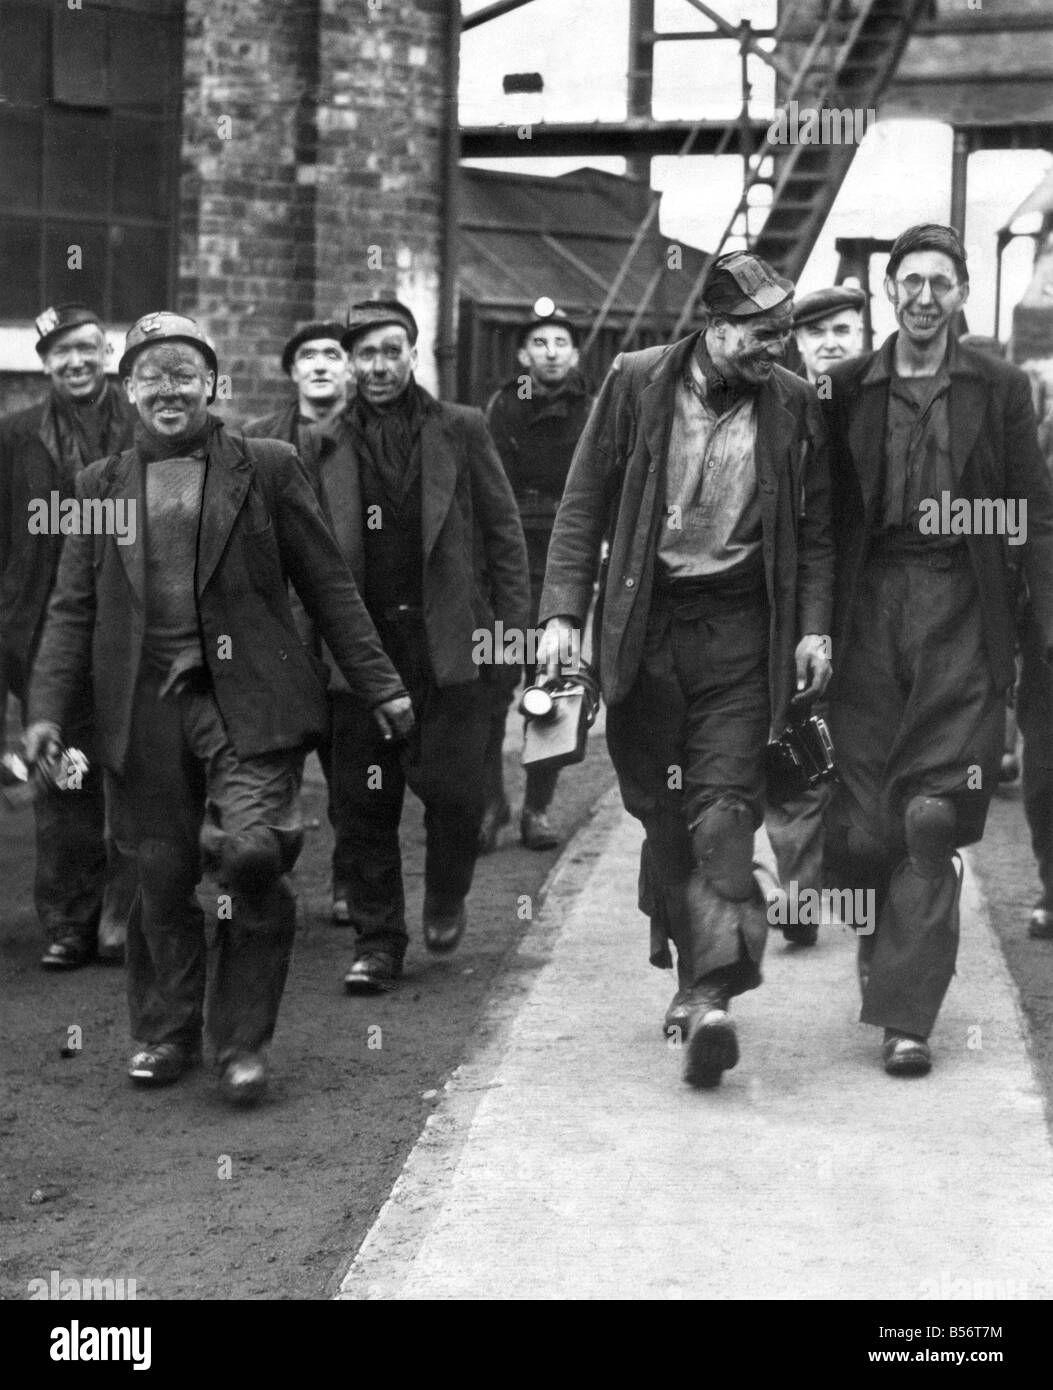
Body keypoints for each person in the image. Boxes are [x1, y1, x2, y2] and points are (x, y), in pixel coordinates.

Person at [23, 311, 413, 1104]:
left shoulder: (266, 468)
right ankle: (165, 1034)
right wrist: (45, 714)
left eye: (184, 375)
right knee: (159, 875)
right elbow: (71, 610)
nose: (169, 391)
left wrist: (381, 685)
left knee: (253, 855)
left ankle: (240, 1043)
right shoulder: (98, 486)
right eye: (152, 376)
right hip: (144, 705)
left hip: (248, 702)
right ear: (128, 387)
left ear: (212, 384)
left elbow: (328, 585)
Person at [538, 251, 834, 1089]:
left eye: (784, 334)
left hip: (741, 631)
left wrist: (812, 628)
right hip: (647, 625)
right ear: (714, 325)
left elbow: (813, 532)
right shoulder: (635, 382)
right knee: (662, 813)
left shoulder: (793, 404)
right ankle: (688, 974)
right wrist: (562, 612)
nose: (775, 350)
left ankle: (712, 997)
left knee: (723, 809)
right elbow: (582, 501)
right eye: (761, 335)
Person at [821, 223, 1053, 1077]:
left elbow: (1032, 510)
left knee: (928, 816)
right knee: (864, 819)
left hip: (960, 607)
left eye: (940, 284)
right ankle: (878, 939)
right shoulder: (845, 388)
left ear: (961, 295)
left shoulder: (996, 387)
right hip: (867, 614)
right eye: (910, 282)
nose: (924, 298)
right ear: (888, 291)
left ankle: (905, 1019)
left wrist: (1045, 625)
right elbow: (820, 520)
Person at [329, 300, 529, 992]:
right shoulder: (320, 443)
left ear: (415, 353)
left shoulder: (461, 429)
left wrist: (511, 641)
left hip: (447, 646)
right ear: (349, 361)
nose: (379, 366)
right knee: (361, 806)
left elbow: (505, 539)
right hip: (357, 652)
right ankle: (377, 942)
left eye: (392, 350)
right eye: (365, 353)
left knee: (456, 794)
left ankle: (446, 891)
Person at [0, 302, 137, 969]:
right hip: (40, 633)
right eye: (61, 352)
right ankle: (66, 919)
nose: (76, 362)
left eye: (86, 347)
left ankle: (125, 908)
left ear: (106, 353)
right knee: (62, 775)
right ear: (44, 362)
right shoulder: (15, 436)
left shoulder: (142, 427)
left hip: (129, 625)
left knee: (136, 770)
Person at [765, 285, 867, 946]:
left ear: (863, 335)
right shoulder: (779, 407)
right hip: (793, 599)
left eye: (843, 329)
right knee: (796, 740)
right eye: (816, 331)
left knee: (860, 749)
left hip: (869, 601)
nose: (830, 341)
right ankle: (800, 894)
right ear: (796, 342)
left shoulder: (877, 407)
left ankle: (860, 881)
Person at [480, 301, 594, 852]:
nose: (551, 353)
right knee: (492, 680)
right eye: (540, 343)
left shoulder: (592, 409)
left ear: (575, 353)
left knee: (551, 682)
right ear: (525, 353)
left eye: (561, 343)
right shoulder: (504, 406)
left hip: (565, 556)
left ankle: (538, 809)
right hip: (506, 556)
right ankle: (490, 803)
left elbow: (599, 485)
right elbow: (489, 483)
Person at [243, 320, 352, 449]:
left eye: (332, 356)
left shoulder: (375, 435)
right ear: (294, 371)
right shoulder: (257, 437)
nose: (320, 367)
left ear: (350, 368)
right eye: (308, 356)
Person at [792, 285, 866, 386]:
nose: (830, 345)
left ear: (859, 335)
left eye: (841, 331)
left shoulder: (884, 394)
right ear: (799, 340)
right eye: (817, 333)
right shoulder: (777, 399)